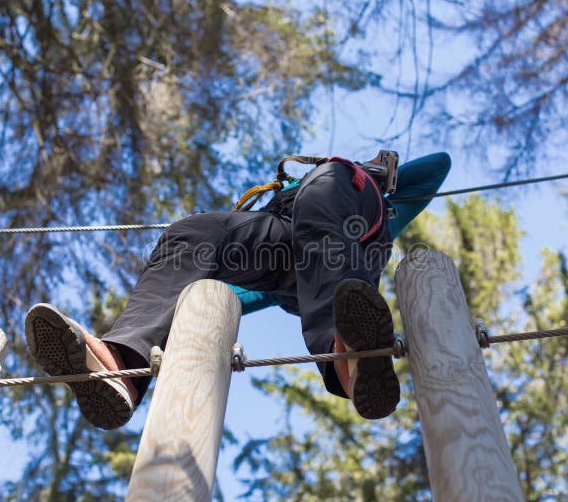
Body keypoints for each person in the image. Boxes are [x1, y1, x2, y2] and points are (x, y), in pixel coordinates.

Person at [24, 151, 451, 429]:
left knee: (323, 194)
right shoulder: (296, 202)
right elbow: (218, 293)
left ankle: (351, 358)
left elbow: (438, 166)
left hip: (353, 229)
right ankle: (121, 365)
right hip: (288, 249)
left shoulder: (357, 187)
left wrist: (380, 172)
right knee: (192, 234)